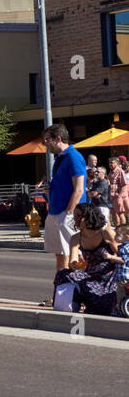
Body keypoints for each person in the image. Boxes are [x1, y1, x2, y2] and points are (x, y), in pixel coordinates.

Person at [53, 204, 120, 315]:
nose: (75, 219)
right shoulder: (76, 238)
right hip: (90, 277)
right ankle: (67, 304)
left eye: (79, 216)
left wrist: (112, 258)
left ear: (89, 216)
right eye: (75, 216)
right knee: (62, 274)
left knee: (102, 307)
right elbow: (72, 261)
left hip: (109, 278)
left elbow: (124, 256)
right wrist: (75, 264)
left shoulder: (106, 233)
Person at [42, 124, 87, 273]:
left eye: (47, 139)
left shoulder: (73, 157)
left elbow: (79, 189)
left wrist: (68, 213)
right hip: (55, 212)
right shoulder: (60, 158)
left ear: (58, 139)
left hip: (67, 214)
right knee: (60, 254)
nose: (45, 143)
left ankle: (82, 291)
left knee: (77, 256)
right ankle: (61, 293)